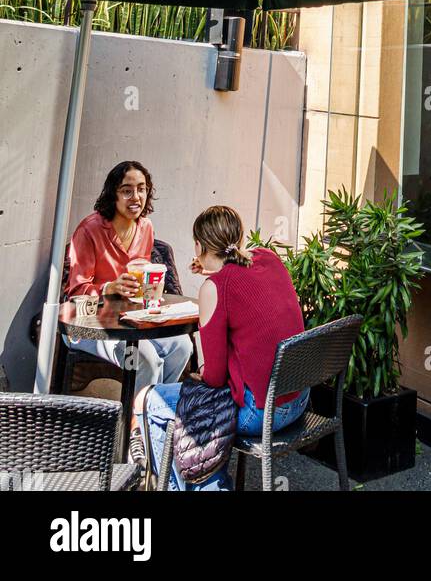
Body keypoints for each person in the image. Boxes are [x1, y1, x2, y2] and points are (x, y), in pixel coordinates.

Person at [139, 206, 309, 490]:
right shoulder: (268, 258)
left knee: (152, 401)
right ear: (240, 237)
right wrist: (210, 275)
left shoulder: (215, 287)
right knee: (202, 406)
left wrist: (200, 341)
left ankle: (203, 487)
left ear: (199, 245)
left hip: (262, 414)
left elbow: (213, 377)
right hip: (299, 399)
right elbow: (243, 290)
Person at [64, 160, 192, 391]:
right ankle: (136, 423)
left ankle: (153, 412)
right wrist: (109, 288)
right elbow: (74, 292)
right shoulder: (88, 230)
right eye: (127, 190)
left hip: (130, 321)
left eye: (141, 189)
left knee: (182, 346)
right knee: (146, 359)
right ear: (113, 194)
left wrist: (150, 291)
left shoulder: (146, 228)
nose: (136, 197)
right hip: (89, 325)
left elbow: (140, 278)